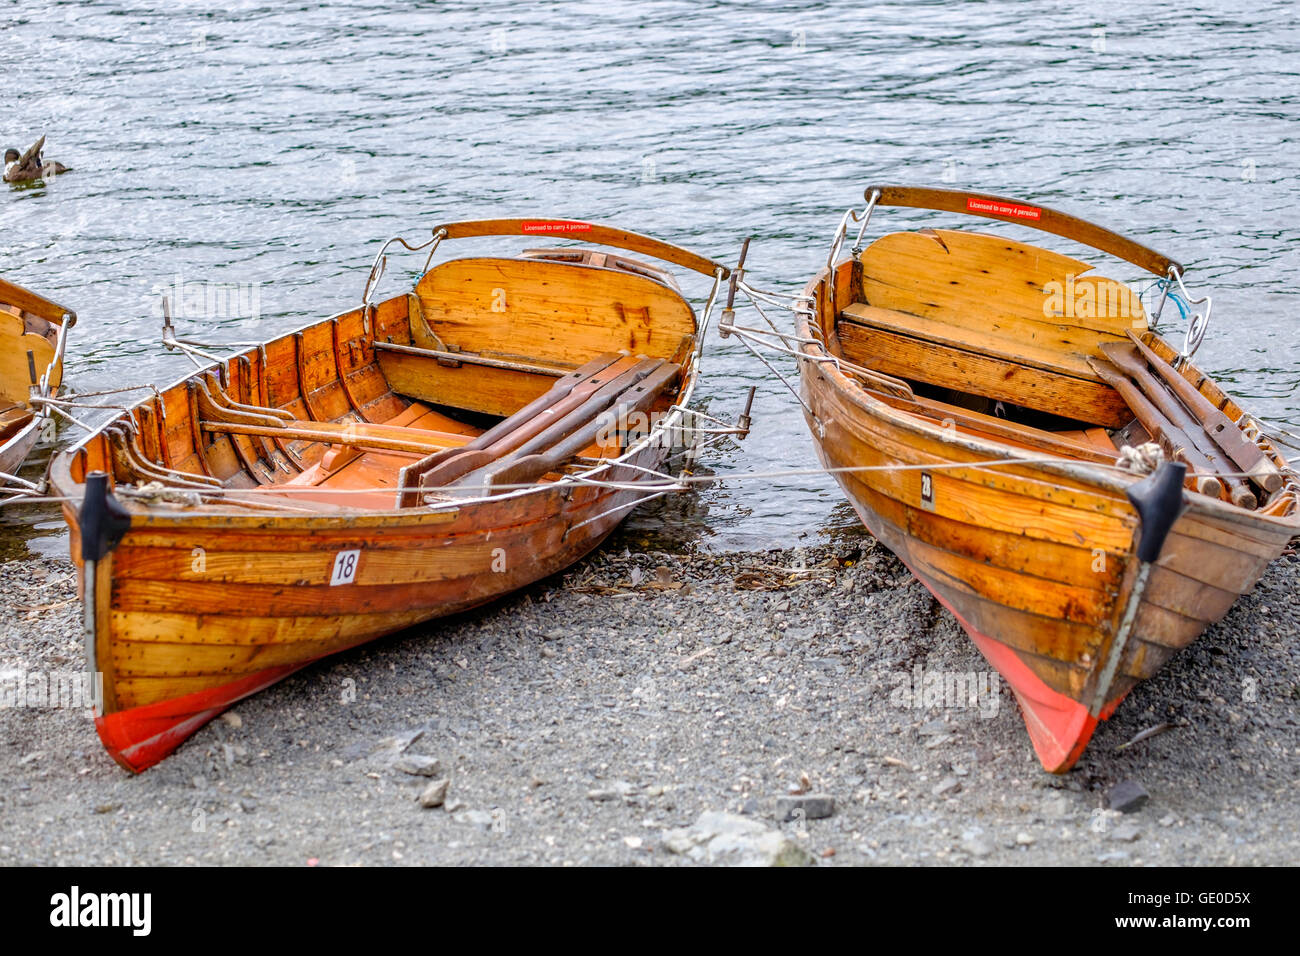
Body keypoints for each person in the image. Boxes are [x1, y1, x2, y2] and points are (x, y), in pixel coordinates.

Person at [3, 138, 70, 183]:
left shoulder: (12, 173)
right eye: (17, 155)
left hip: (37, 171)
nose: (20, 157)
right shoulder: (12, 171)